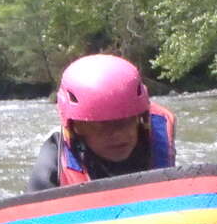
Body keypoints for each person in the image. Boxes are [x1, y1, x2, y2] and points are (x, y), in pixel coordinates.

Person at [27, 54, 176, 192]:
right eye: (102, 125)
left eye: (126, 121)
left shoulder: (158, 129)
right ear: (76, 127)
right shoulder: (51, 165)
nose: (118, 134)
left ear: (140, 117)